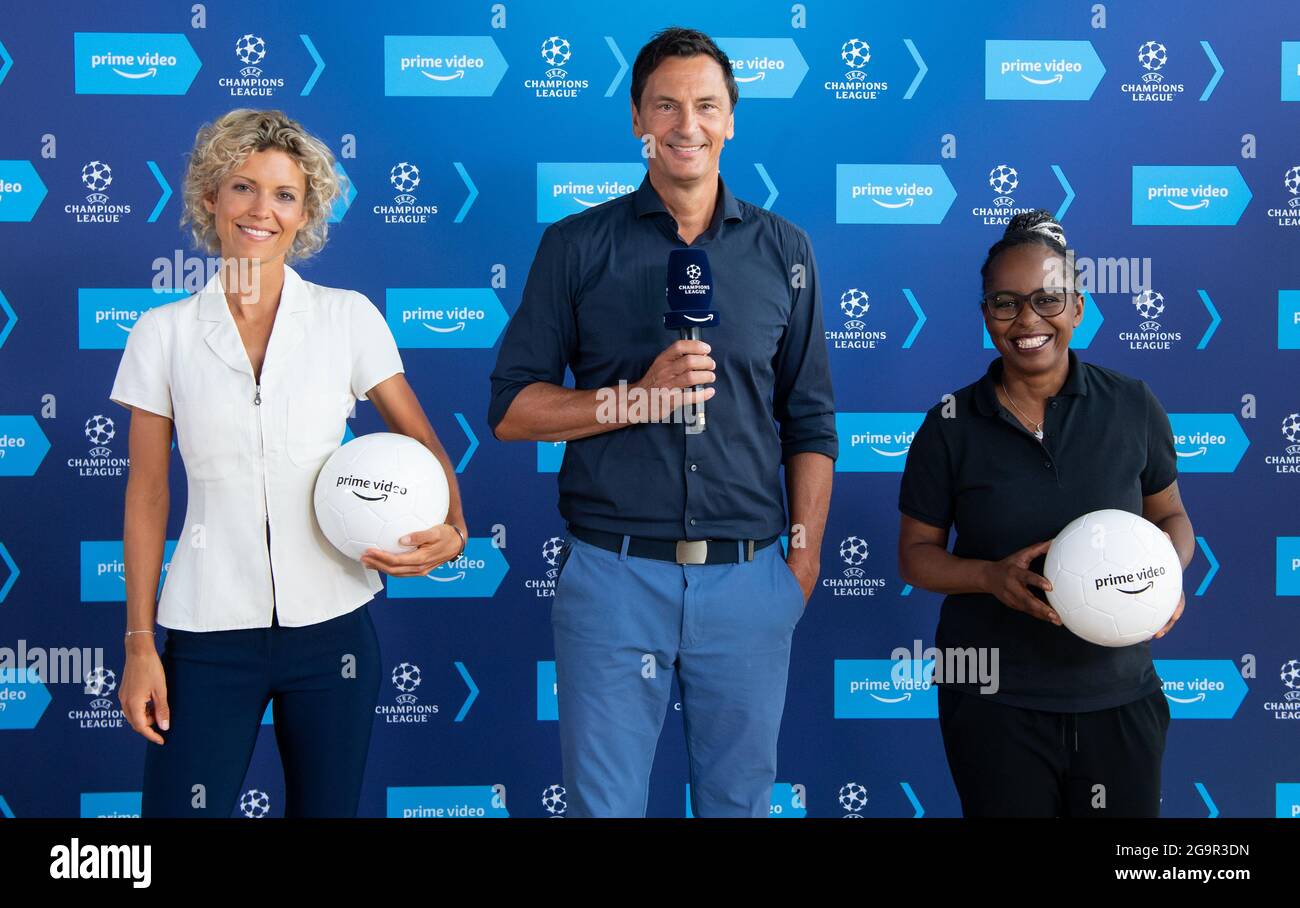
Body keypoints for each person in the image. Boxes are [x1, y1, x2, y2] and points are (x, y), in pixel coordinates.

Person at [488, 27, 836, 817]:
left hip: (750, 579)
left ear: (732, 119)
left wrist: (802, 563)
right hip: (613, 580)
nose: (688, 125)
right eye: (666, 105)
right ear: (637, 121)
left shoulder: (787, 250)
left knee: (737, 806)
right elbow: (511, 410)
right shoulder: (576, 246)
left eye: (707, 105)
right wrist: (632, 399)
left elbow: (810, 422)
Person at [112, 109, 468, 818]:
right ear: (210, 197)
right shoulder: (162, 334)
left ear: (305, 214)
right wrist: (140, 644)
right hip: (207, 633)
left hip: (333, 629)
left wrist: (455, 527)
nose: (261, 211)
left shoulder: (348, 318)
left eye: (284, 195)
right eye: (243, 187)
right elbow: (149, 494)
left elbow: (423, 443)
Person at [897, 209, 1193, 817]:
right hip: (994, 702)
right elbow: (915, 557)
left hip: (1118, 699)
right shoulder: (950, 424)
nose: (1027, 320)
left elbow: (1173, 518)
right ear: (986, 316)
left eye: (1047, 299)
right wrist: (989, 577)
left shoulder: (1132, 405)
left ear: (1078, 307)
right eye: (1005, 303)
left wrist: (1168, 575)